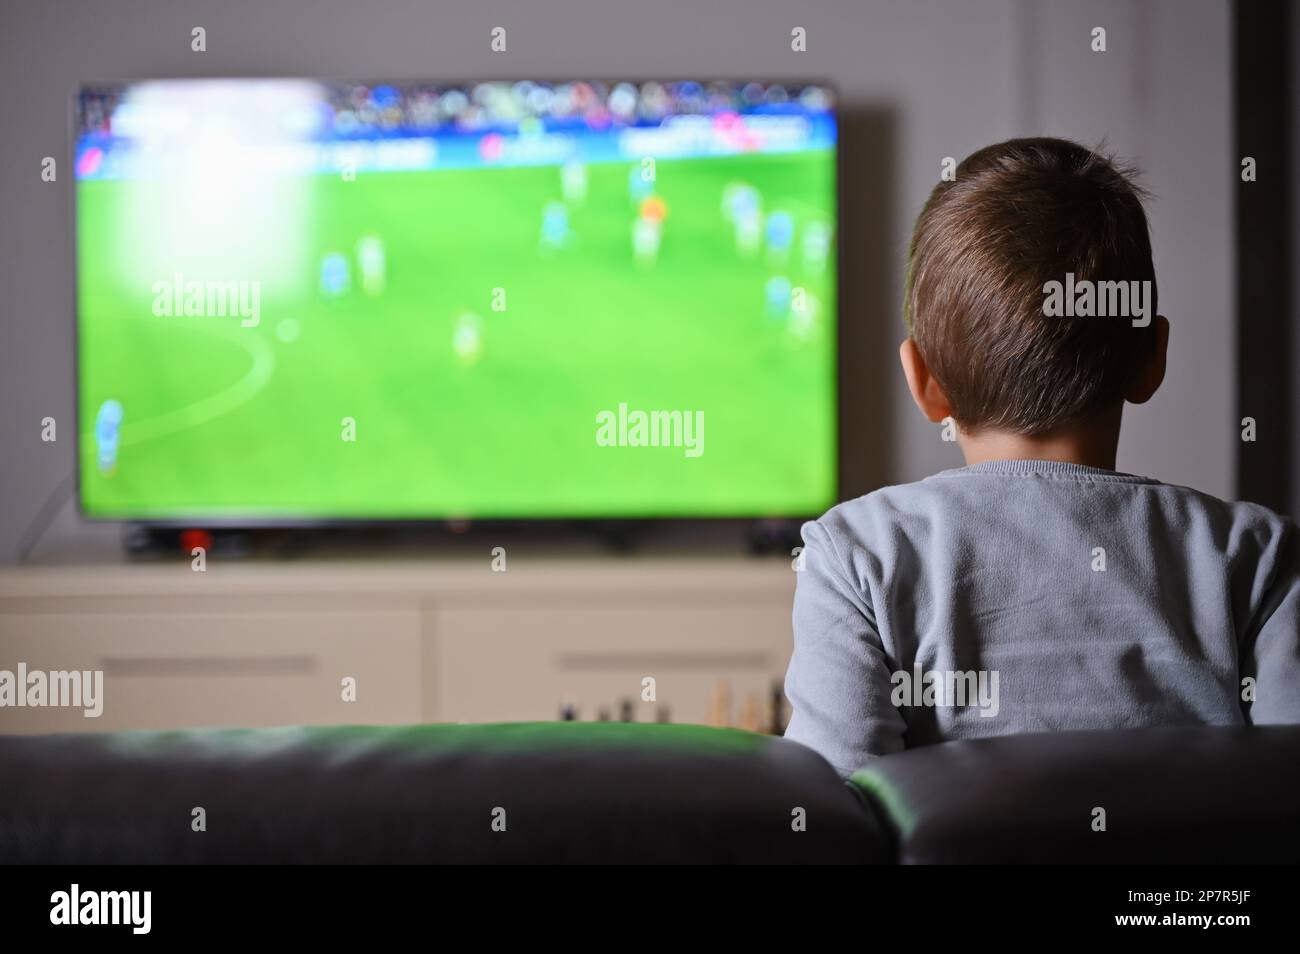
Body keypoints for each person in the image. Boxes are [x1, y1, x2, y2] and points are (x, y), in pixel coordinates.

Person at [783, 137, 1300, 778]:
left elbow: (836, 817)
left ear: (923, 381)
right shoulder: (1258, 558)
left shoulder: (854, 557)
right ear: (1153, 358)